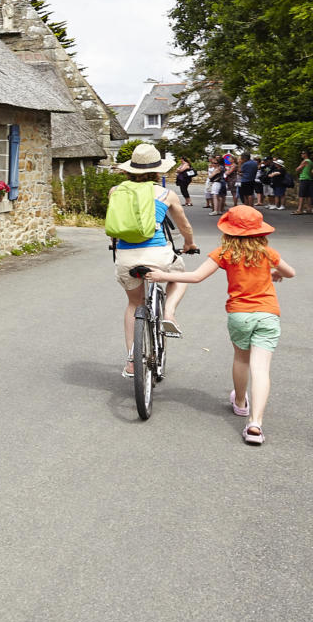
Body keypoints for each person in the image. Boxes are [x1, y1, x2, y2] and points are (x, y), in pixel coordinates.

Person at [147, 205, 295, 445]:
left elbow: (195, 277)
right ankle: (255, 424)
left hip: (240, 315)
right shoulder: (268, 253)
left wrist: (163, 276)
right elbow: (291, 273)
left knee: (241, 359)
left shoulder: (224, 252)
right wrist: (274, 272)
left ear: (229, 230)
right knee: (261, 369)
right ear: (259, 232)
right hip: (268, 314)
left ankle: (239, 403)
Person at [112, 143, 198, 378]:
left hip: (126, 256)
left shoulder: (116, 191)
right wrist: (189, 244)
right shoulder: (165, 194)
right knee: (180, 276)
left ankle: (131, 360)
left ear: (130, 170)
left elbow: (114, 224)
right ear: (157, 171)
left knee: (134, 304)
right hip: (158, 254)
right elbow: (184, 226)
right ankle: (168, 313)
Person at [296, 150, 313, 215]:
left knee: (301, 195)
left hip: (304, 179)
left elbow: (297, 169)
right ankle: (309, 209)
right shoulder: (311, 162)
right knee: (308, 195)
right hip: (309, 179)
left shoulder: (305, 161)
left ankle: (299, 210)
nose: (301, 154)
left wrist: (300, 169)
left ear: (306, 154)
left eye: (302, 153)